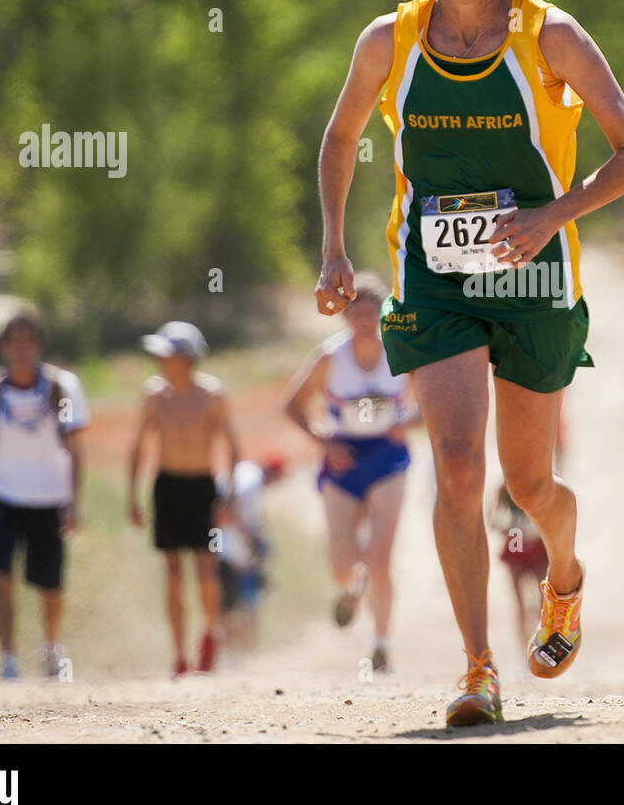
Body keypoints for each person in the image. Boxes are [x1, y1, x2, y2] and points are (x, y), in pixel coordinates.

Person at [312, 0, 624, 726]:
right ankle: (476, 668)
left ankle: (564, 578)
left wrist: (551, 217)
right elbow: (342, 135)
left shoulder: (553, 38)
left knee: (529, 483)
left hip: (536, 275)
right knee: (458, 461)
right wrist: (331, 246)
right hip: (434, 275)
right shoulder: (389, 41)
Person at [283, 273, 413, 674]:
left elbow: (431, 406)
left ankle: (381, 644)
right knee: (340, 564)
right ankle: (351, 586)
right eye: (356, 314)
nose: (364, 321)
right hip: (343, 456)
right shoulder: (329, 357)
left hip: (387, 456)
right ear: (345, 317)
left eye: (372, 313)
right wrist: (324, 441)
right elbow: (292, 405)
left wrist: (407, 424)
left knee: (380, 557)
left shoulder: (403, 352)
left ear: (383, 316)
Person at [0, 311, 90, 679]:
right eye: (13, 340)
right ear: (2, 346)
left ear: (39, 345)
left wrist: (74, 502)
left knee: (50, 583)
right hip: (2, 495)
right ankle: (8, 659)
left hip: (49, 497)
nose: (21, 348)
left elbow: (79, 449)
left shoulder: (63, 388)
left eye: (28, 340)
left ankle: (50, 648)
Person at [126, 321, 241, 677]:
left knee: (206, 575)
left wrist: (228, 497)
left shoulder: (212, 395)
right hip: (167, 487)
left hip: (203, 489)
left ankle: (210, 633)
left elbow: (233, 448)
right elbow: (139, 445)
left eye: (167, 354)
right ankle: (178, 655)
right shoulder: (153, 395)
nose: (159, 360)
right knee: (173, 576)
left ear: (187, 358)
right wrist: (132, 494)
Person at [216, 452, 286, 655]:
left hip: (233, 551)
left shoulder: (246, 474)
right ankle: (235, 654)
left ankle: (239, 654)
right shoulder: (250, 481)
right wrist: (252, 539)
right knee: (234, 607)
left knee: (238, 606)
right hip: (230, 551)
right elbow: (228, 511)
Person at [490, 480, 549, 648]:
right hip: (516, 544)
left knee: (543, 601)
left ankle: (540, 644)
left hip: (536, 545)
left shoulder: (543, 482)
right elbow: (494, 520)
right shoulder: (504, 488)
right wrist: (511, 526)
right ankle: (524, 648)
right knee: (520, 603)